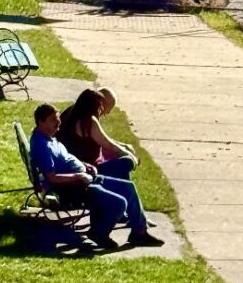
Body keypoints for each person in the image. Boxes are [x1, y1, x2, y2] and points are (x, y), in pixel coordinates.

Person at [30, 103, 163, 251]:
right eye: (53, 119)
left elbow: (66, 159)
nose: (58, 122)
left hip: (85, 179)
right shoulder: (41, 146)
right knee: (119, 203)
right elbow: (52, 178)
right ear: (41, 122)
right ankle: (98, 233)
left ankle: (139, 233)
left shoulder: (49, 138)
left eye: (58, 117)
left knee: (128, 187)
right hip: (74, 189)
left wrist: (83, 164)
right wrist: (79, 175)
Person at [58, 88, 138, 181]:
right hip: (89, 168)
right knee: (127, 162)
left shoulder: (72, 112)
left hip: (71, 163)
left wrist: (123, 146)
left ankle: (123, 187)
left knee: (121, 159)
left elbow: (101, 138)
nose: (106, 112)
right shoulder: (90, 121)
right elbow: (110, 145)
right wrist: (131, 157)